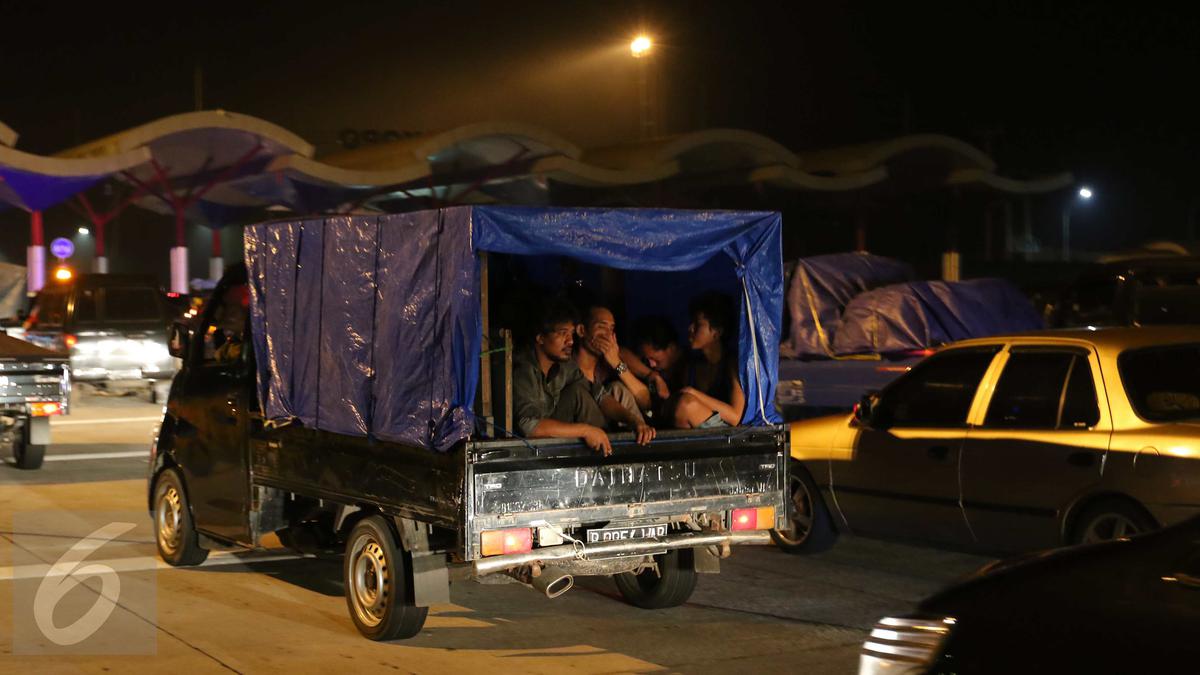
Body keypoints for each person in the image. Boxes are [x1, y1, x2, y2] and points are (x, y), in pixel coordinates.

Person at [512, 299, 653, 455]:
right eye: (562, 333)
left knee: (582, 392)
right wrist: (586, 430)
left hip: (558, 441)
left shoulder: (566, 367)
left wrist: (634, 421)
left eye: (571, 334)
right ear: (540, 338)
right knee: (578, 394)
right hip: (533, 452)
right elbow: (529, 426)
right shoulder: (523, 370)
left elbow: (600, 396)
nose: (570, 341)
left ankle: (609, 451)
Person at [573, 305, 655, 445]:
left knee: (618, 388)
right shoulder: (568, 367)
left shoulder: (608, 365)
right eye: (601, 327)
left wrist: (616, 363)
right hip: (580, 440)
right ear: (581, 330)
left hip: (613, 439)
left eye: (611, 329)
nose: (607, 335)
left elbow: (646, 403)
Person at [674, 291, 745, 429]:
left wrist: (693, 393)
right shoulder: (691, 367)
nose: (690, 328)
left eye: (698, 324)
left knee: (686, 405)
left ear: (716, 333)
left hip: (726, 433)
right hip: (695, 432)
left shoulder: (731, 364)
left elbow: (735, 416)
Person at [620, 314, 686, 425]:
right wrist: (652, 375)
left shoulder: (690, 368)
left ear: (671, 348)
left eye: (654, 359)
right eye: (647, 359)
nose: (651, 364)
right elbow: (620, 353)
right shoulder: (652, 370)